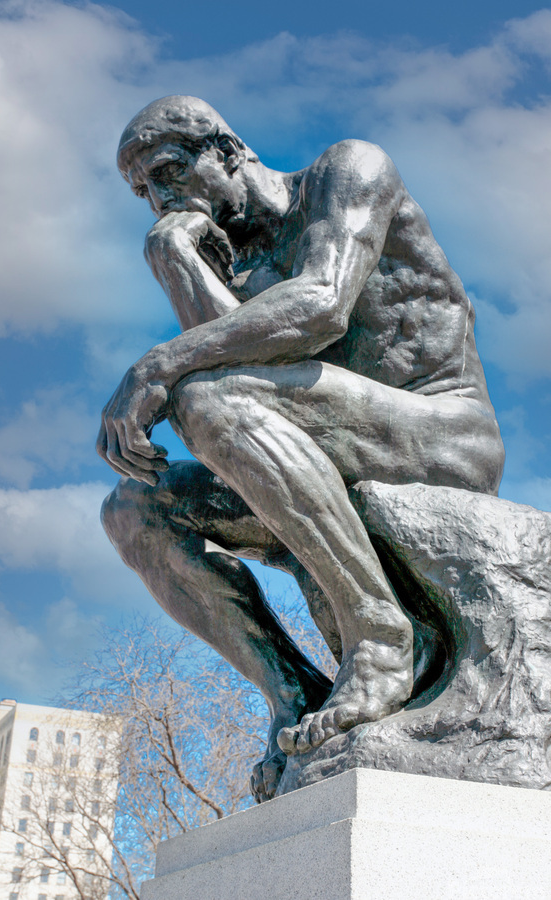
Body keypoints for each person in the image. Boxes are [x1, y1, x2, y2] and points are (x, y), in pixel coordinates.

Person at [97, 96, 504, 802]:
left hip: (440, 435)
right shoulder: (229, 263)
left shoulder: (347, 172)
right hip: (325, 450)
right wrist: (173, 256)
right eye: (144, 192)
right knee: (135, 509)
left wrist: (157, 364)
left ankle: (380, 636)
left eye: (168, 172)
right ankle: (292, 692)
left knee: (205, 397)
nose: (160, 200)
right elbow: (227, 366)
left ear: (227, 151)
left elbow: (320, 306)